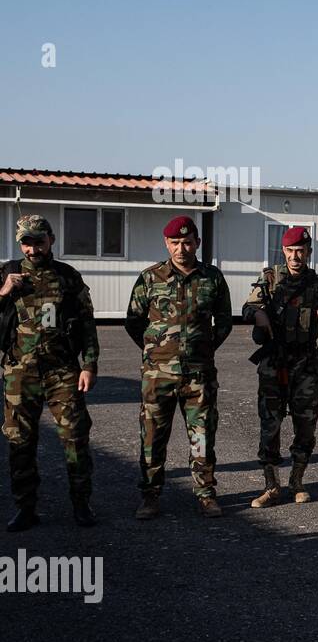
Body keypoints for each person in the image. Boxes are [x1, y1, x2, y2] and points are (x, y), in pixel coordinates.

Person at [126, 215, 232, 519]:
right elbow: (134, 321)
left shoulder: (212, 278)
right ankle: (150, 496)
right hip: (157, 376)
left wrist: (205, 349)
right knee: (152, 437)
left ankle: (206, 494)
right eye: (175, 242)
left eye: (187, 242)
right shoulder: (150, 278)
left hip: (199, 375)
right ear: (166, 243)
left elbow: (224, 321)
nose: (181, 248)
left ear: (197, 242)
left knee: (202, 437)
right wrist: (155, 353)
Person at [0, 215, 99, 531]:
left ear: (51, 240)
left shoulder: (68, 277)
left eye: (39, 242)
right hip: (19, 372)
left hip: (63, 372)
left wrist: (90, 364)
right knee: (20, 441)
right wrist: (3, 291)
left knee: (75, 438)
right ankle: (25, 508)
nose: (33, 249)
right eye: (26, 243)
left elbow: (87, 322)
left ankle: (81, 504)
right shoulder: (6, 273)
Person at [242, 226, 318, 507]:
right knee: (270, 424)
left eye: (300, 250)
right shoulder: (269, 279)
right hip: (274, 362)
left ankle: (297, 480)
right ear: (283, 251)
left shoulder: (317, 284)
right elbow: (248, 308)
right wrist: (259, 313)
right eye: (290, 251)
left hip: (307, 363)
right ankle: (271, 485)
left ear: (308, 252)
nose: (295, 256)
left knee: (306, 424)